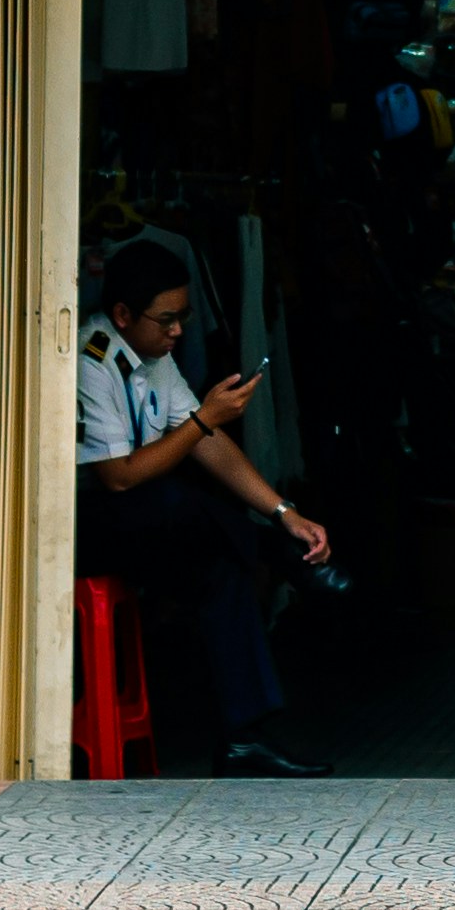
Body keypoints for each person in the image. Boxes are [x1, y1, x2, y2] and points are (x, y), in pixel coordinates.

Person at [75, 240, 334, 777]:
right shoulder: (91, 358)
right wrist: (203, 420)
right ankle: (273, 552)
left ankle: (244, 738)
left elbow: (209, 443)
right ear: (123, 314)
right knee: (171, 498)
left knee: (222, 569)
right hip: (85, 525)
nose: (178, 332)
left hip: (139, 523)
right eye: (166, 319)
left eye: (184, 317)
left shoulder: (154, 356)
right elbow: (118, 479)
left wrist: (285, 512)